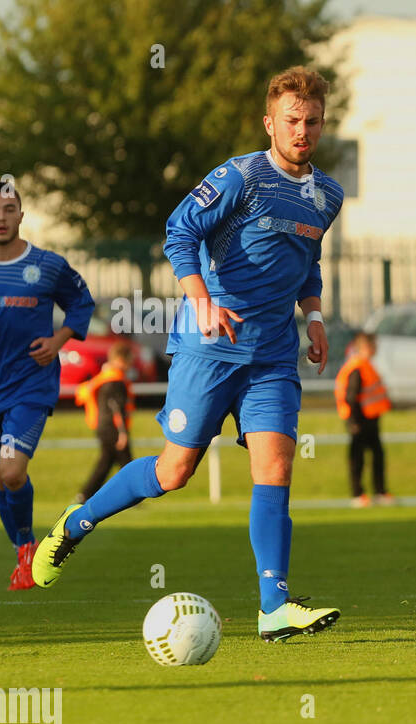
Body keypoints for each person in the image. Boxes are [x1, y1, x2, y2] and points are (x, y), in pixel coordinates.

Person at [34, 66, 344, 643]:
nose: (303, 130)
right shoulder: (239, 178)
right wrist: (202, 300)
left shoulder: (327, 194)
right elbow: (179, 232)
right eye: (292, 120)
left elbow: (309, 259)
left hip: (274, 356)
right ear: (269, 122)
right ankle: (73, 526)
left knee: (275, 466)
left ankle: (273, 607)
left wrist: (316, 316)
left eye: (313, 121)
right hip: (211, 347)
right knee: (175, 471)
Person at [0, 180, 94, 591]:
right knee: (1, 478)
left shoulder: (48, 265)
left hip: (31, 387)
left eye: (8, 209)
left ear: (21, 215)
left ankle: (32, 548)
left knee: (13, 470)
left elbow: (82, 302)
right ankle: (25, 548)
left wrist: (58, 341)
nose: (1, 218)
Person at [334, 331, 393, 506]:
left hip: (370, 419)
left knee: (377, 455)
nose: (376, 348)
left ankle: (380, 492)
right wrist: (353, 422)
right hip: (359, 420)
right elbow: (351, 397)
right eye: (373, 345)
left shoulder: (366, 365)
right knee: (357, 457)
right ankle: (358, 494)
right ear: (365, 347)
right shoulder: (357, 367)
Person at [75, 343, 135, 502]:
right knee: (127, 463)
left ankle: (85, 495)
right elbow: (117, 407)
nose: (130, 365)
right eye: (129, 361)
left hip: (102, 426)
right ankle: (133, 496)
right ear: (121, 360)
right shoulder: (115, 380)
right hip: (112, 428)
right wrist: (122, 433)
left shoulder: (104, 377)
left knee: (106, 463)